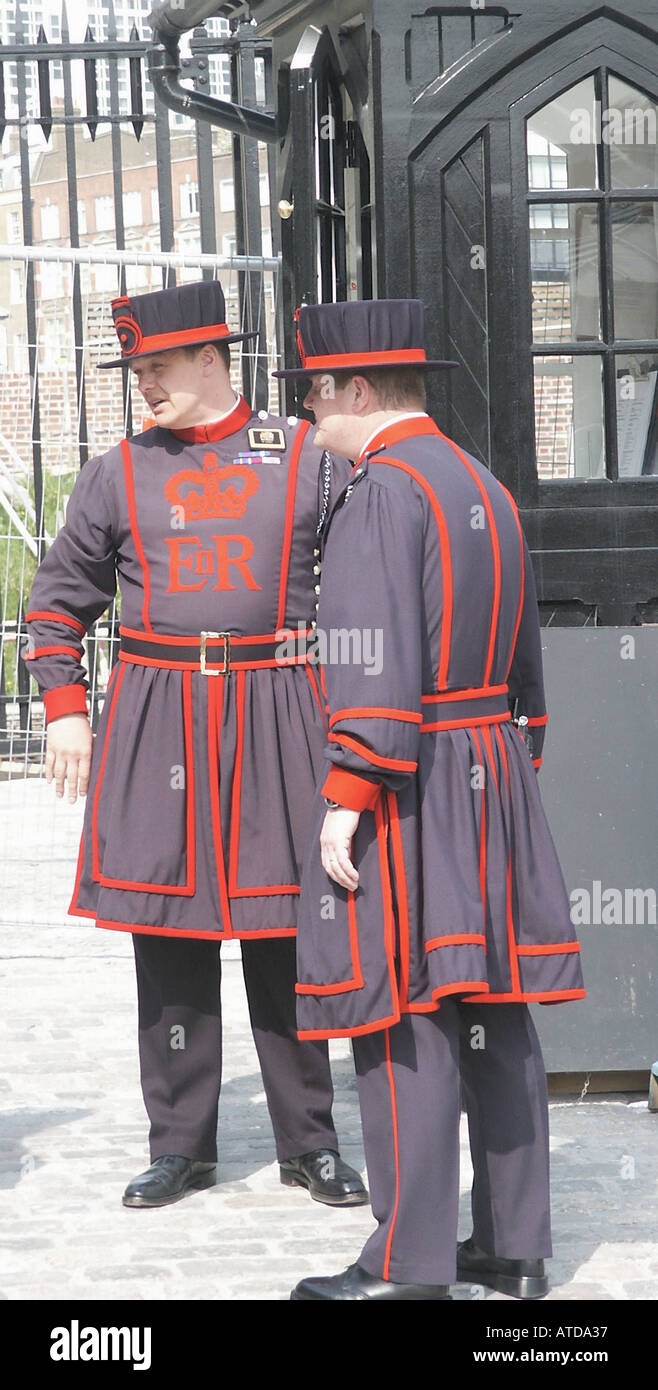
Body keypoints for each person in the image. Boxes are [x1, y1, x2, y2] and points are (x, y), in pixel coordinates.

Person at [23, 280, 367, 1211]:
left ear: (213, 359)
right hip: (157, 717)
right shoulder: (118, 473)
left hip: (279, 713)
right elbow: (56, 602)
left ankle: (310, 1142)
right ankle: (181, 1144)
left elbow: (376, 581)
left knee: (287, 931)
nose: (145, 385)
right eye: (136, 371)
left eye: (159, 367)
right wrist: (65, 705)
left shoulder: (307, 458)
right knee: (167, 935)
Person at [271, 298, 585, 1301]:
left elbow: (374, 666)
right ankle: (515, 1245)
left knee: (402, 1015)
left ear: (358, 390)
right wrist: (506, 767)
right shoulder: (482, 485)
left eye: (316, 397)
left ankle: (407, 1264)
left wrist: (344, 796)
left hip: (410, 783)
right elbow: (528, 676)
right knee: (493, 1010)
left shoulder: (378, 492)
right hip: (490, 767)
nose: (309, 421)